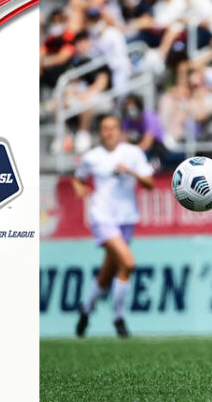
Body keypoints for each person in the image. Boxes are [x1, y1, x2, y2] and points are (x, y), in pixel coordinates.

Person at [74, 115, 155, 338]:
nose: (109, 132)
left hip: (127, 218)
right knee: (127, 264)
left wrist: (130, 171)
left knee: (106, 274)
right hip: (102, 217)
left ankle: (86, 309)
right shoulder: (91, 157)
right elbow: (77, 178)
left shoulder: (133, 153)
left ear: (120, 131)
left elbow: (150, 184)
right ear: (99, 132)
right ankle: (119, 317)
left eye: (113, 128)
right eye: (105, 129)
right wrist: (78, 188)